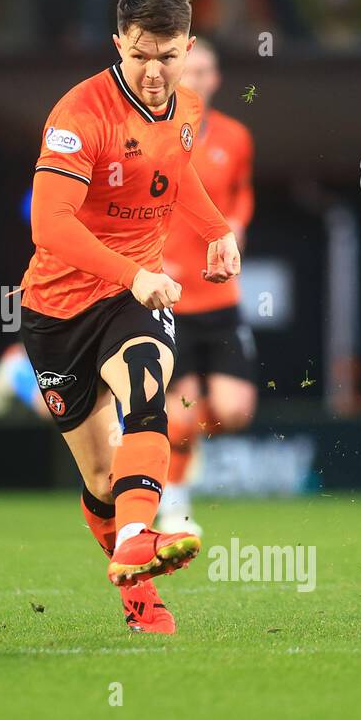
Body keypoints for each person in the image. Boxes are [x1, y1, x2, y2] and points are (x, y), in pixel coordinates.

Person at [17, 0, 240, 634]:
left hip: (129, 298)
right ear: (118, 45)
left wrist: (216, 229)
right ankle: (135, 590)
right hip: (56, 309)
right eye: (140, 54)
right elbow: (50, 227)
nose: (153, 71)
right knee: (96, 477)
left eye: (168, 56)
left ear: (187, 49)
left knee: (148, 388)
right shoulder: (78, 116)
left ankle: (140, 541)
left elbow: (178, 171)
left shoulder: (188, 108)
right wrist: (132, 273)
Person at [158, 38, 258, 535]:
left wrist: (237, 225)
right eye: (189, 70)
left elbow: (242, 193)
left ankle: (177, 450)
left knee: (234, 410)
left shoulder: (236, 137)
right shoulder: (154, 136)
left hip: (219, 300)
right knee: (181, 414)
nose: (198, 79)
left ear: (216, 78)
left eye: (206, 70)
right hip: (170, 301)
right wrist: (151, 260)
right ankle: (174, 505)